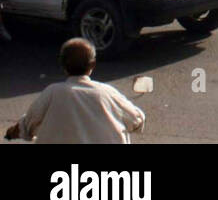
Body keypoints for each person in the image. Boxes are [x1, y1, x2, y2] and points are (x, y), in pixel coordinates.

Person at [4, 38, 145, 144]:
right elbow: (136, 120)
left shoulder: (53, 92)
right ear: (93, 64)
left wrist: (11, 133)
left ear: (62, 64)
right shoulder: (107, 92)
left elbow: (28, 124)